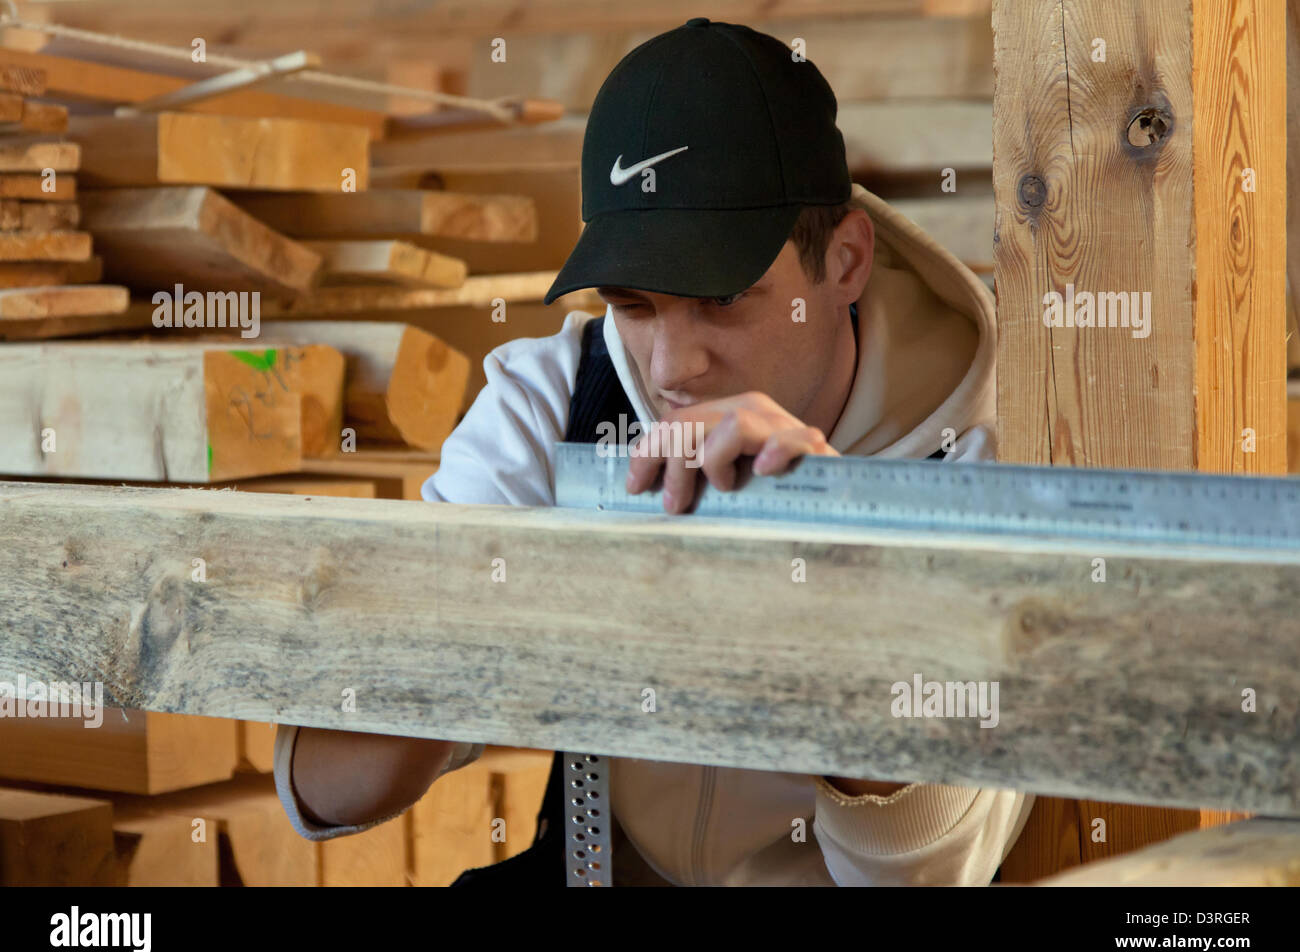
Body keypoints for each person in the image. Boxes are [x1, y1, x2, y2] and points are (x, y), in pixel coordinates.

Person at [273, 16, 1034, 885]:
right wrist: (468, 645)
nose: (673, 367)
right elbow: (323, 786)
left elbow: (931, 874)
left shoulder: (985, 453)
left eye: (722, 300)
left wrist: (832, 577)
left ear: (847, 261)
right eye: (633, 304)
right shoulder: (555, 398)